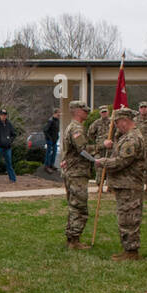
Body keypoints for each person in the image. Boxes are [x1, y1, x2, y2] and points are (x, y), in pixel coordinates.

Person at [96, 108, 144, 261]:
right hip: (125, 184)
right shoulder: (126, 137)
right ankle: (128, 250)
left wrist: (102, 162)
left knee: (129, 219)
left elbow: (122, 161)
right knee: (125, 217)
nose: (116, 126)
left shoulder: (132, 138)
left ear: (125, 120)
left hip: (129, 184)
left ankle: (131, 252)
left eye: (117, 122)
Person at [61, 100, 95, 249]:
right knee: (79, 206)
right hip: (77, 173)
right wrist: (100, 149)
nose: (86, 112)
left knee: (74, 205)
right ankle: (74, 240)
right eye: (84, 110)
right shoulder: (76, 129)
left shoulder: (73, 127)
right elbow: (83, 149)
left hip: (73, 171)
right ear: (77, 111)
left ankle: (72, 237)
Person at [43, 107, 60, 171]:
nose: (60, 114)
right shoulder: (50, 121)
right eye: (59, 113)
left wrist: (57, 137)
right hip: (50, 140)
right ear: (55, 113)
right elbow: (45, 130)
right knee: (49, 152)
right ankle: (47, 166)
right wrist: (49, 138)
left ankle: (51, 165)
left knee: (54, 152)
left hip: (55, 140)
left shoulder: (57, 121)